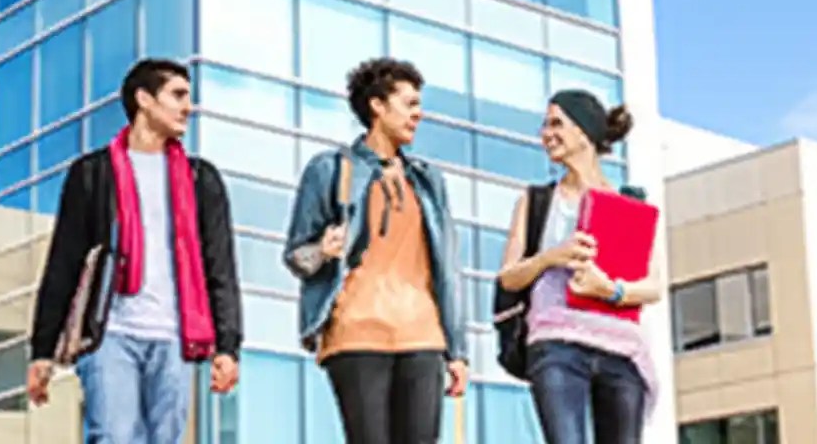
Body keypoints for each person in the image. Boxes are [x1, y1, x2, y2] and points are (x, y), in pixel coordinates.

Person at [26, 58, 242, 444]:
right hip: (112, 334)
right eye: (177, 95)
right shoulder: (93, 174)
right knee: (111, 436)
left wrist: (228, 345)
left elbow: (220, 267)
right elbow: (64, 263)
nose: (187, 107)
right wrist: (42, 350)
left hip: (177, 337)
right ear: (144, 99)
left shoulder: (200, 179)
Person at [283, 57, 468, 444]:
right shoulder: (331, 169)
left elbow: (448, 269)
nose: (418, 114)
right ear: (377, 106)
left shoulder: (427, 180)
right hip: (358, 330)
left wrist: (458, 351)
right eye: (409, 103)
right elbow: (297, 254)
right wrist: (322, 249)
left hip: (422, 333)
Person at [496, 89, 661, 444]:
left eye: (556, 123)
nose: (545, 134)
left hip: (621, 351)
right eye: (544, 125)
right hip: (557, 346)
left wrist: (610, 290)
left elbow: (653, 286)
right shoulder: (536, 200)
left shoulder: (628, 203)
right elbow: (508, 277)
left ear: (584, 132)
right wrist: (551, 256)